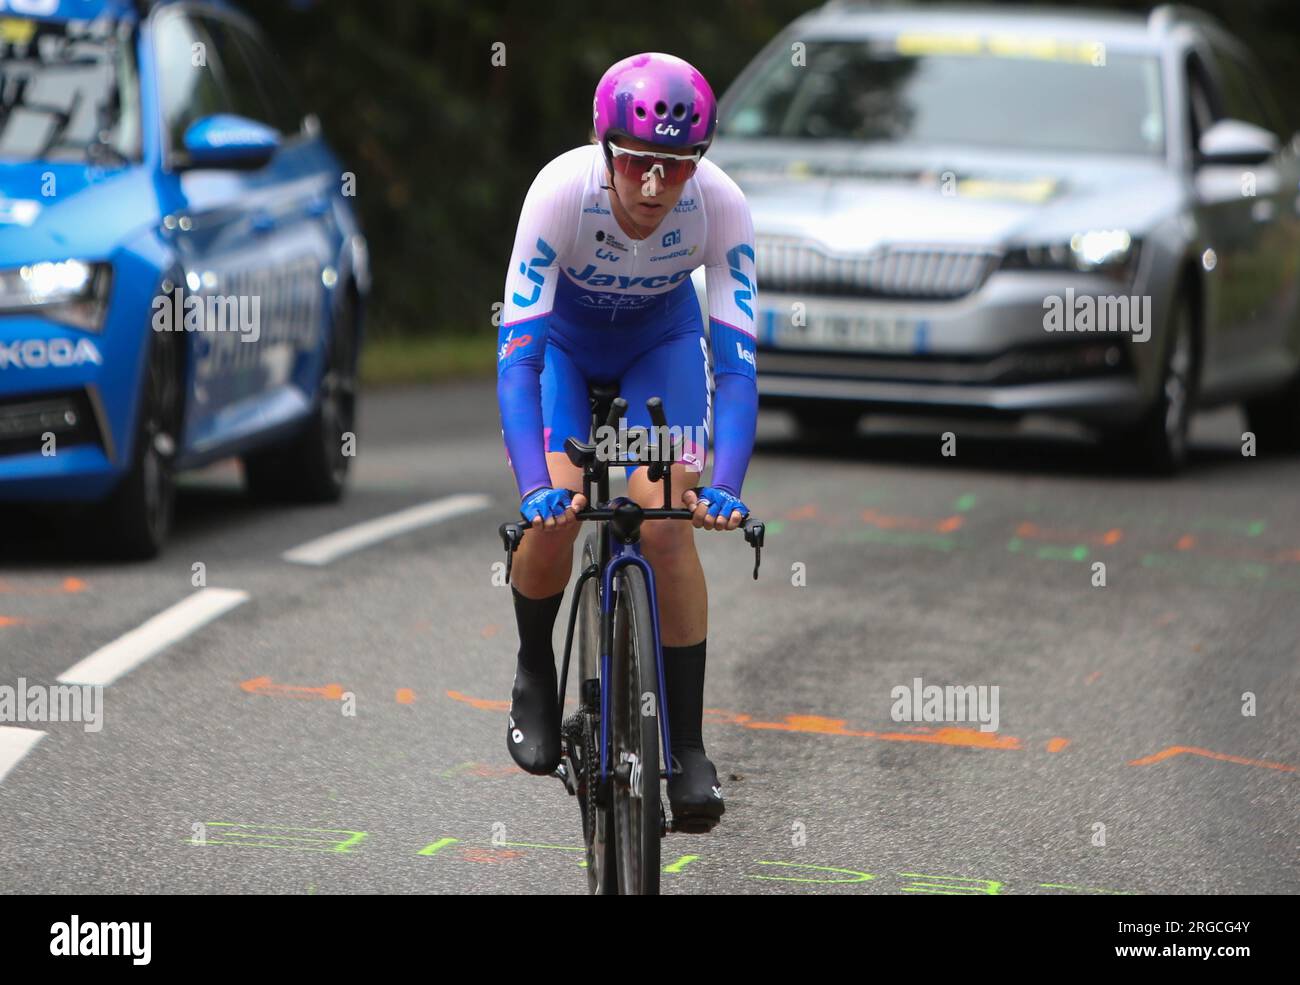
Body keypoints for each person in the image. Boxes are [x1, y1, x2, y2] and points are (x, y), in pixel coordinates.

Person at [496, 52, 758, 830]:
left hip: (659, 345)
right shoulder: (558, 192)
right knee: (564, 510)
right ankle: (536, 668)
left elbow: (737, 369)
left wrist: (726, 486)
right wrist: (533, 484)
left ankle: (687, 745)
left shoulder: (722, 205)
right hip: (564, 353)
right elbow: (520, 359)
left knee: (668, 522)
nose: (652, 186)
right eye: (638, 162)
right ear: (603, 147)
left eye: (674, 169)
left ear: (698, 165)